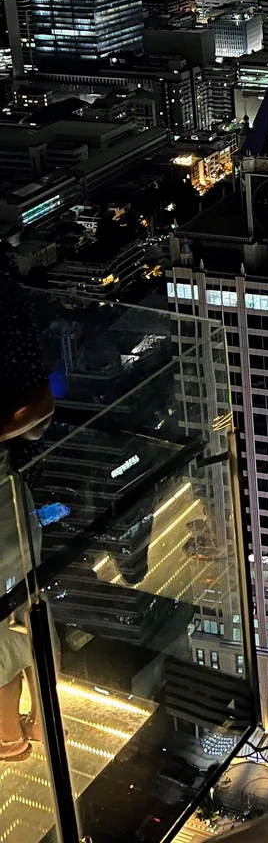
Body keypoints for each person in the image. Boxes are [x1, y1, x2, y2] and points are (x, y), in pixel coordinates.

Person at [0, 266, 55, 760]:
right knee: (23, 611)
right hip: (10, 496)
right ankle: (33, 729)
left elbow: (38, 406)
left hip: (4, 499)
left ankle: (12, 736)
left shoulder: (1, 297)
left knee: (10, 619)